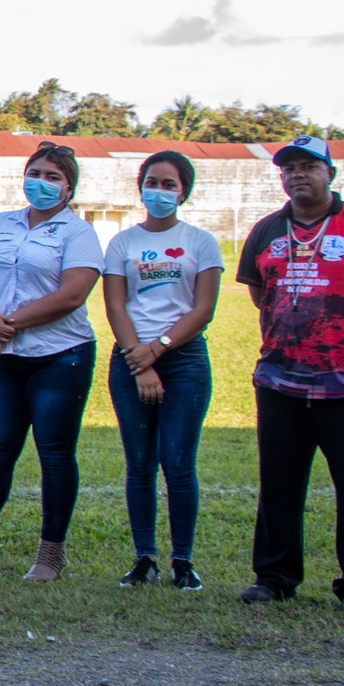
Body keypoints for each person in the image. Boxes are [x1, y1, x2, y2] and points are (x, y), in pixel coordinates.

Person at [237, 135, 344, 618]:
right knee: (279, 483)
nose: (298, 175)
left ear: (329, 173)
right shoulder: (266, 230)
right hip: (280, 380)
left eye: (309, 166)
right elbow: (260, 291)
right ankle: (275, 578)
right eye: (289, 168)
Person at [0, 142, 103, 580]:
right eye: (34, 173)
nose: (41, 182)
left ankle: (50, 555)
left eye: (53, 177)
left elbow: (73, 294)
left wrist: (11, 322)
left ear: (68, 188)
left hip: (61, 357)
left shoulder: (79, 233)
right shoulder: (1, 223)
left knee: (55, 455)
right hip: (5, 356)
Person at [101, 151, 223, 591]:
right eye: (152, 182)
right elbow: (116, 306)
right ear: (140, 188)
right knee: (139, 463)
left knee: (178, 462)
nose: (159, 191)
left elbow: (203, 309)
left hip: (184, 360)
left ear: (183, 192)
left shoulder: (201, 242)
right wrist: (139, 360)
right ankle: (144, 559)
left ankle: (182, 562)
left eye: (169, 184)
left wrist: (157, 350)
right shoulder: (122, 243)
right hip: (131, 360)